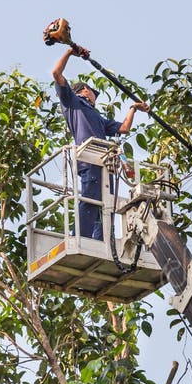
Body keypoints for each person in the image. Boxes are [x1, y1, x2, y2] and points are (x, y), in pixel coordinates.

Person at [52, 44, 149, 240]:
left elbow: (124, 128)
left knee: (108, 203)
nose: (95, 97)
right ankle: (81, 238)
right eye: (94, 93)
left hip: (105, 161)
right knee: (90, 200)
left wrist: (133, 108)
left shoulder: (97, 117)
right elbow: (56, 73)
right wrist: (71, 51)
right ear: (85, 90)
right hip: (90, 158)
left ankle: (102, 240)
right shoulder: (72, 101)